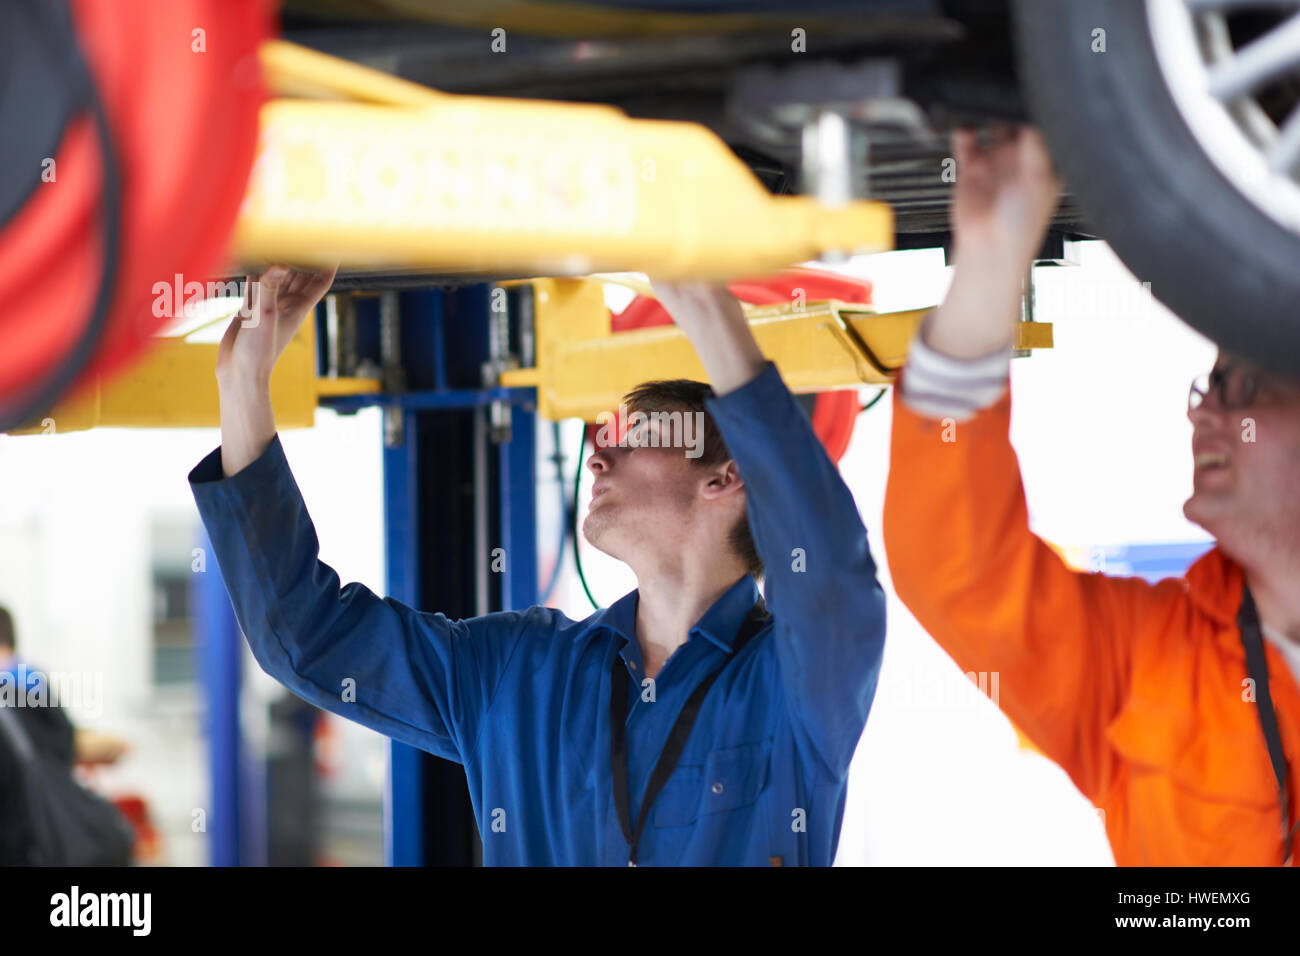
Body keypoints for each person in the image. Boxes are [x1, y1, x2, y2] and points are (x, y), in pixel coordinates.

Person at [188, 267, 886, 865]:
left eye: (634, 437)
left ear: (725, 478)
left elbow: (832, 571)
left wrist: (705, 302)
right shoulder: (517, 672)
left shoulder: (796, 686)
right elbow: (308, 639)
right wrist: (243, 381)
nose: (597, 456)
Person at [883, 125, 1300, 865]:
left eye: (1239, 385)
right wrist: (990, 264)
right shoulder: (1145, 659)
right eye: (1208, 387)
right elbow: (960, 576)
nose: (1200, 413)